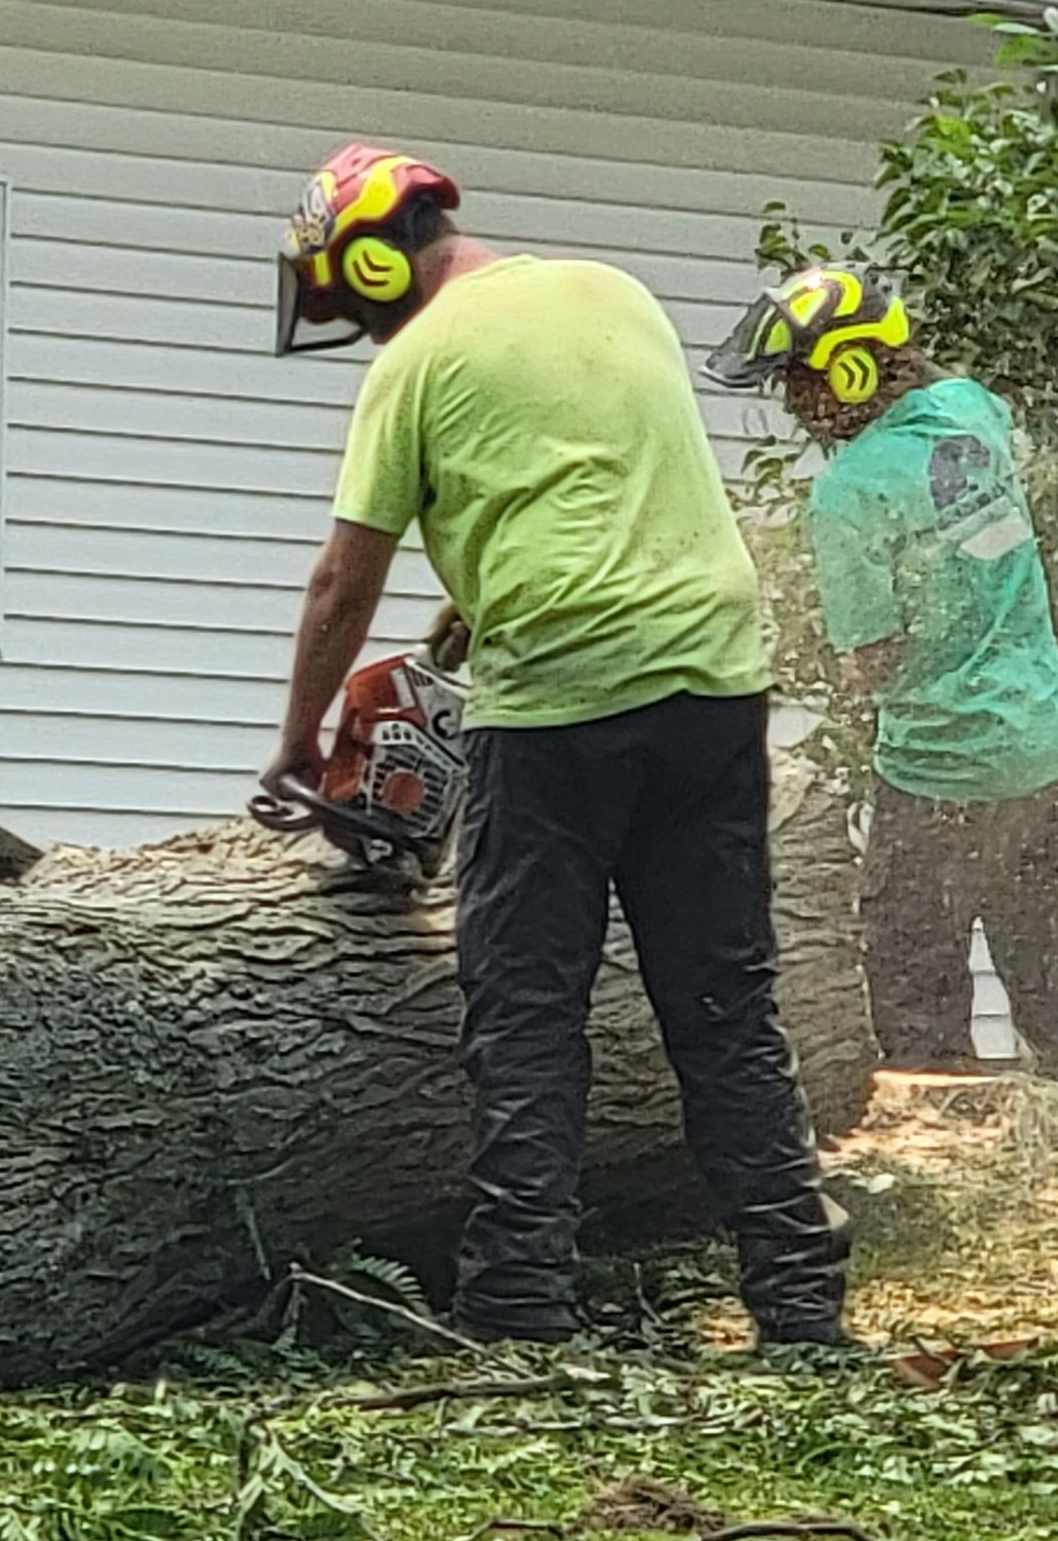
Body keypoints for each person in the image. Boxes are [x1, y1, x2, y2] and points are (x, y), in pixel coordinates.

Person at [265, 142, 849, 1347]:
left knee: (528, 1009)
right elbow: (595, 490)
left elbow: (342, 582)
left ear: (373, 263)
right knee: (724, 1008)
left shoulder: (414, 365)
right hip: (711, 681)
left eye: (345, 295)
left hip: (559, 708)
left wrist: (298, 740)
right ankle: (801, 1305)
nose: (355, 321)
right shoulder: (613, 292)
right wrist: (468, 612)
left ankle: (520, 1305)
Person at [708, 265, 1058, 1074]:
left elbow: (871, 661)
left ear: (851, 370)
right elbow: (944, 390)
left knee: (916, 1002)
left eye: (799, 382)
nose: (793, 405)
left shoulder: (848, 492)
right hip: (1049, 753)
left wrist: (818, 652)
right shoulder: (974, 410)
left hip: (939, 776)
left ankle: (944, 1134)